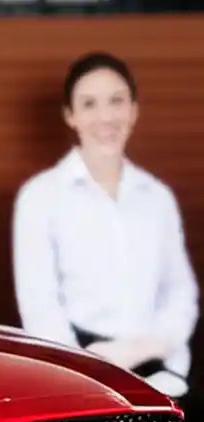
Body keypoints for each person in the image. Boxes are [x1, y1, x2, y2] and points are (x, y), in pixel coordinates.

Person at [12, 51, 199, 398]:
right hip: (79, 374)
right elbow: (40, 305)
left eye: (116, 101)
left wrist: (153, 345)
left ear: (133, 110)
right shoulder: (39, 198)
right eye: (89, 104)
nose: (106, 117)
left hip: (162, 370)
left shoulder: (157, 197)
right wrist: (89, 367)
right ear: (71, 116)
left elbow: (180, 290)